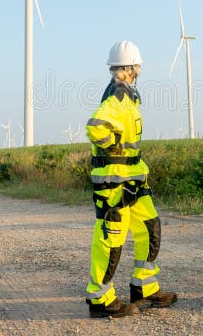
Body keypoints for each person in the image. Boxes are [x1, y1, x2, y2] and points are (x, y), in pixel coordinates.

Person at [84, 40, 178, 318]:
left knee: (149, 228)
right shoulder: (118, 96)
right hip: (115, 182)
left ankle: (144, 287)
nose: (139, 69)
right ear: (132, 67)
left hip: (134, 181)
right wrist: (111, 146)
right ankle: (100, 299)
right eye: (137, 65)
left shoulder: (127, 95)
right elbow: (95, 126)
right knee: (111, 240)